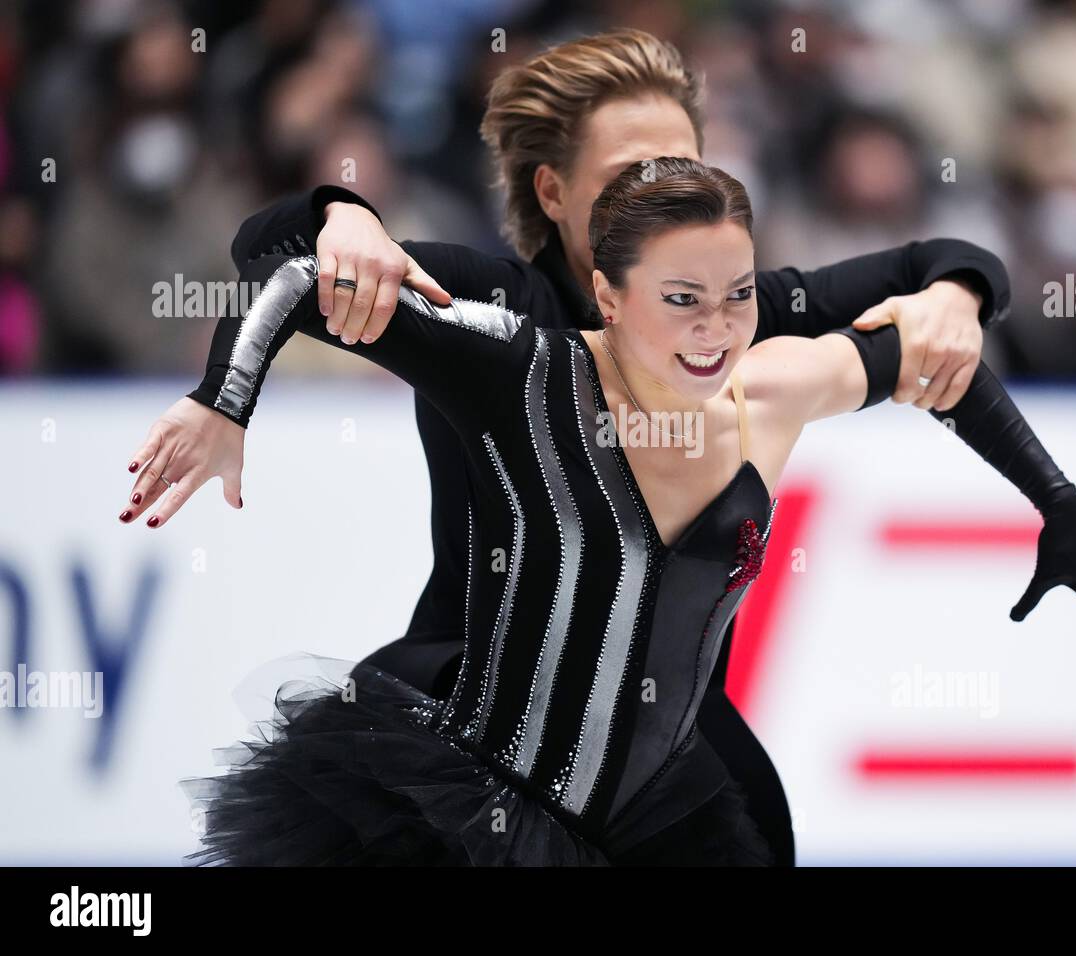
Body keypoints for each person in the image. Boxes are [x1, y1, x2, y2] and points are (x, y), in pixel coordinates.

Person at [119, 30, 1015, 867]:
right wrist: (340, 213)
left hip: (675, 759)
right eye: (632, 173)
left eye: (684, 167)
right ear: (552, 193)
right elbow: (273, 251)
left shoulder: (738, 312)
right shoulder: (497, 309)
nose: (663, 190)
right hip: (470, 728)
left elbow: (937, 259)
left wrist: (958, 293)